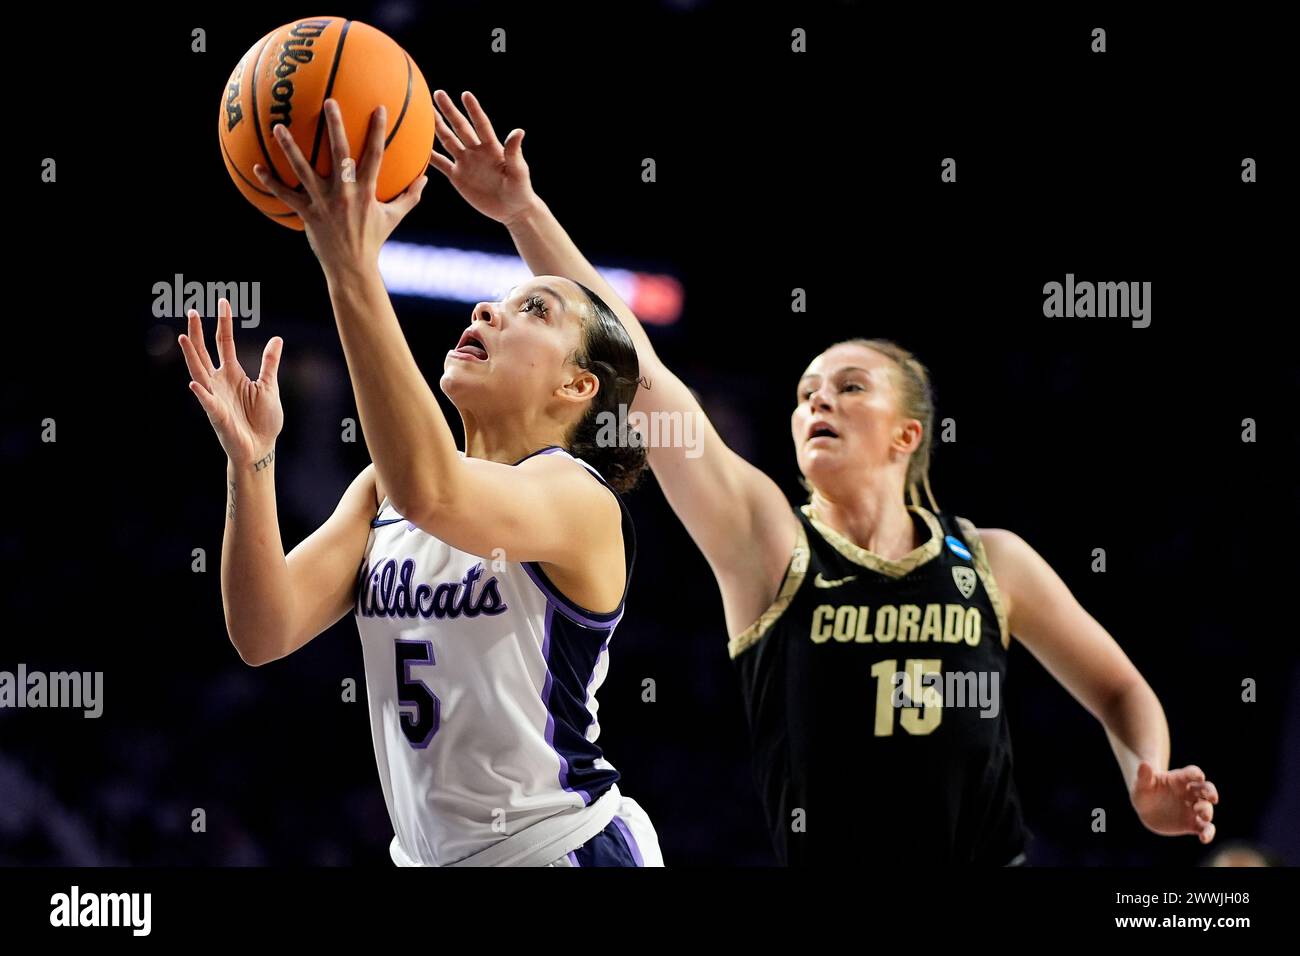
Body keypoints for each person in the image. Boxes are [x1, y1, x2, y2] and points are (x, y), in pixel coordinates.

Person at [427, 88, 1221, 865]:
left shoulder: (991, 562)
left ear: (908, 433)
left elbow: (1118, 689)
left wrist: (1144, 774)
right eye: (805, 394)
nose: (817, 404)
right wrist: (522, 213)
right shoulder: (772, 549)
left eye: (848, 388)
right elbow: (643, 375)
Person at [176, 98, 663, 867]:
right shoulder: (382, 490)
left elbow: (433, 491)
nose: (486, 309)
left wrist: (349, 265)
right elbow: (262, 631)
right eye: (496, 300)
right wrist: (253, 463)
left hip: (559, 849)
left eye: (531, 308)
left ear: (577, 387)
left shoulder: (578, 500)